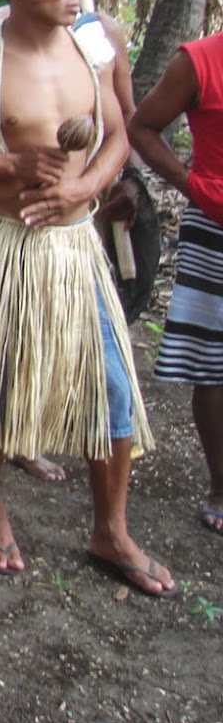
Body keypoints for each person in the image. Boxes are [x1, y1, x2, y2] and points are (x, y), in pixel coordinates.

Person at [0, 0, 173, 596]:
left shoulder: (91, 49)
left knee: (114, 389)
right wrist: (9, 163)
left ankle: (111, 528)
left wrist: (83, 187)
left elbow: (119, 135)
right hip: (1, 241)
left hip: (74, 248)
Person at [128, 33, 223, 537]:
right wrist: (193, 185)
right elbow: (143, 126)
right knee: (215, 360)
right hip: (217, 225)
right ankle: (220, 485)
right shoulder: (200, 60)